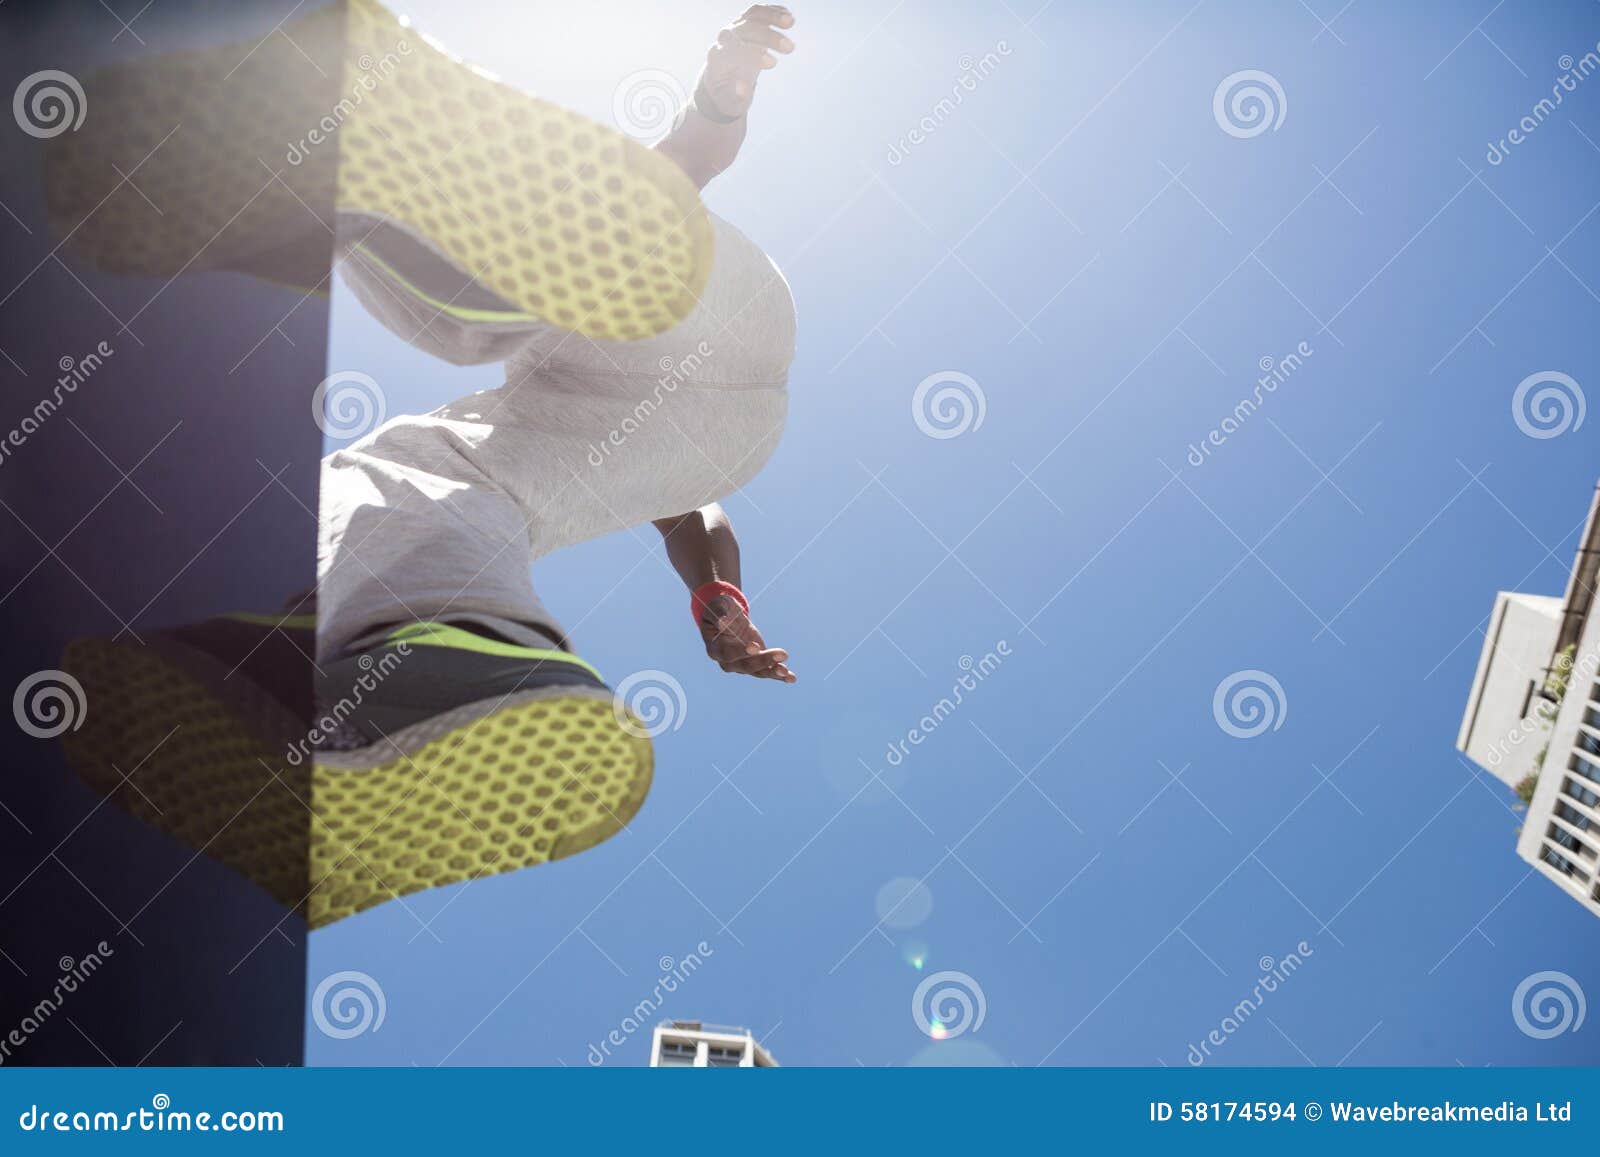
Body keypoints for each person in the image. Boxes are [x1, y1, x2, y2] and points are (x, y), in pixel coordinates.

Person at [57, 3, 803, 928]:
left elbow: (683, 178)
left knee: (503, 334)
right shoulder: (594, 392)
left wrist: (715, 107)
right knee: (431, 457)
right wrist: (719, 602)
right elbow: (689, 494)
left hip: (706, 336)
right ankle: (431, 648)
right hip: (706, 399)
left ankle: (369, 165)